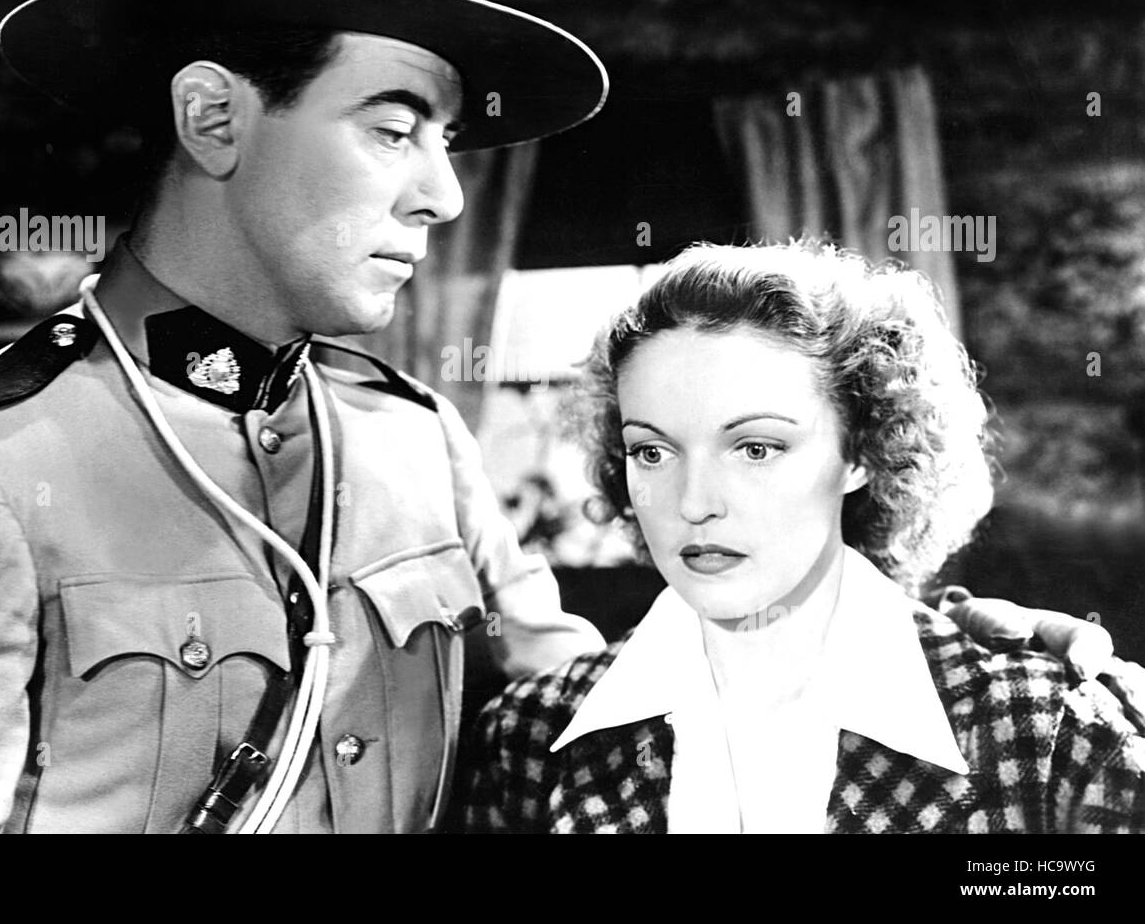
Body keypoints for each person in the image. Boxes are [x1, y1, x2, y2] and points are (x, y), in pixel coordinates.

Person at [0, 0, 610, 833]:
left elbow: (574, 718)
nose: (443, 197)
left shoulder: (416, 439)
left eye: (442, 142)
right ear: (213, 117)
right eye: (393, 128)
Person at [461, 240, 1145, 833]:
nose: (694, 504)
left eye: (756, 448)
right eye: (653, 452)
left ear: (861, 452)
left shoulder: (1054, 732)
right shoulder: (531, 738)